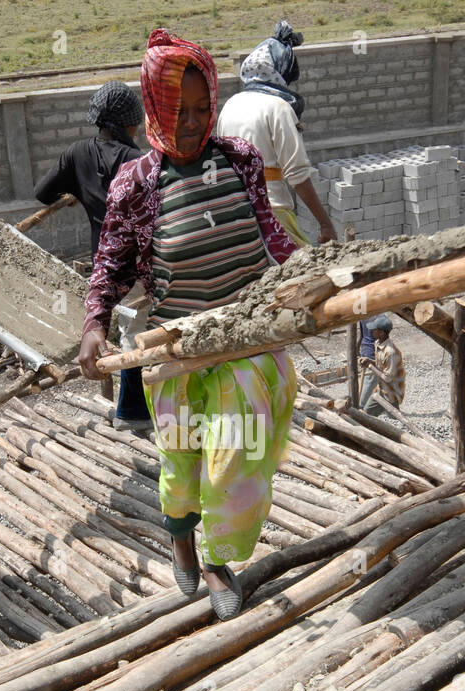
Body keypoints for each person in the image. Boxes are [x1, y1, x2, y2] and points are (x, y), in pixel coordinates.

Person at [78, 29, 299, 620]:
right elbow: (112, 262)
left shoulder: (241, 159)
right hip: (176, 347)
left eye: (204, 109)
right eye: (180, 110)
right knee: (181, 461)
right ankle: (180, 536)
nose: (193, 123)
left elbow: (269, 231)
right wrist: (94, 322)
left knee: (236, 454)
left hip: (247, 341)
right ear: (154, 107)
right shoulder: (137, 184)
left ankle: (217, 561)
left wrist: (309, 272)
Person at [34, 81, 151, 433]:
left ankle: (136, 405)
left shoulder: (77, 153)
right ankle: (132, 412)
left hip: (103, 265)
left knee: (123, 327)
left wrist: (80, 187)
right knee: (135, 332)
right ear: (132, 123)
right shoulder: (140, 162)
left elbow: (42, 193)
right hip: (140, 265)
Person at [214, 21, 337, 246]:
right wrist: (326, 223)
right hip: (273, 213)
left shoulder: (231, 104)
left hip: (237, 213)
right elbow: (297, 174)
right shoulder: (278, 107)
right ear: (280, 73)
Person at [359, 315, 405, 416]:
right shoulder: (377, 343)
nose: (371, 331)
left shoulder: (390, 352)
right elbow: (381, 366)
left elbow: (387, 378)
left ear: (381, 332)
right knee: (371, 413)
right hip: (383, 390)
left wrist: (371, 367)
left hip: (391, 391)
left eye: (374, 330)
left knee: (370, 414)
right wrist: (370, 361)